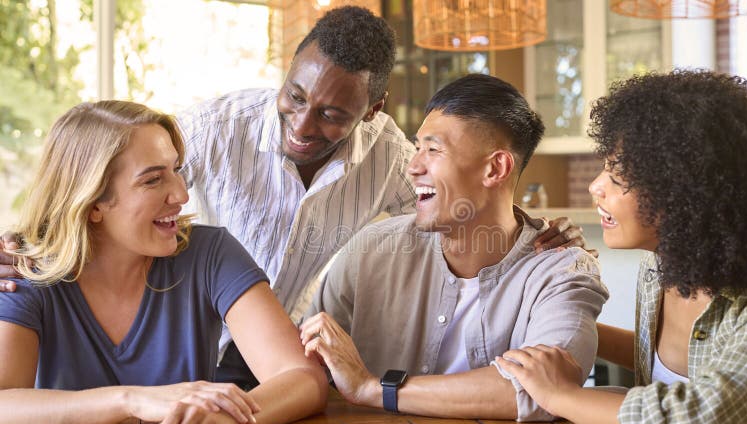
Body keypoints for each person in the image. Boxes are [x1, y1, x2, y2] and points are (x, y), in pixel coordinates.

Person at [0, 6, 585, 389]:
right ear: (286, 74)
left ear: (372, 111)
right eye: (295, 95)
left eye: (332, 114)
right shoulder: (214, 125)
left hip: (279, 349)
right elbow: (107, 175)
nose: (303, 124)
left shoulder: (388, 157)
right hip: (189, 338)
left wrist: (527, 227)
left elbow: (454, 204)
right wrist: (25, 244)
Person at [494, 70, 747, 424]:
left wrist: (561, 395)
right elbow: (662, 366)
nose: (596, 186)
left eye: (618, 176)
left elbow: (708, 423)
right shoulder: (659, 270)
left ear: (686, 191)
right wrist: (563, 319)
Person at [0, 101, 327, 424]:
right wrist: (129, 400)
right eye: (153, 179)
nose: (182, 195)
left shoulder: (210, 255)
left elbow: (303, 378)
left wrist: (231, 418)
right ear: (93, 202)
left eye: (176, 170)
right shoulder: (24, 269)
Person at [299, 74, 608, 421]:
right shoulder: (371, 250)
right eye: (417, 148)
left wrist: (374, 388)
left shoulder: (560, 270)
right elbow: (303, 365)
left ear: (495, 168)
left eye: (433, 150)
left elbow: (548, 391)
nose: (413, 167)